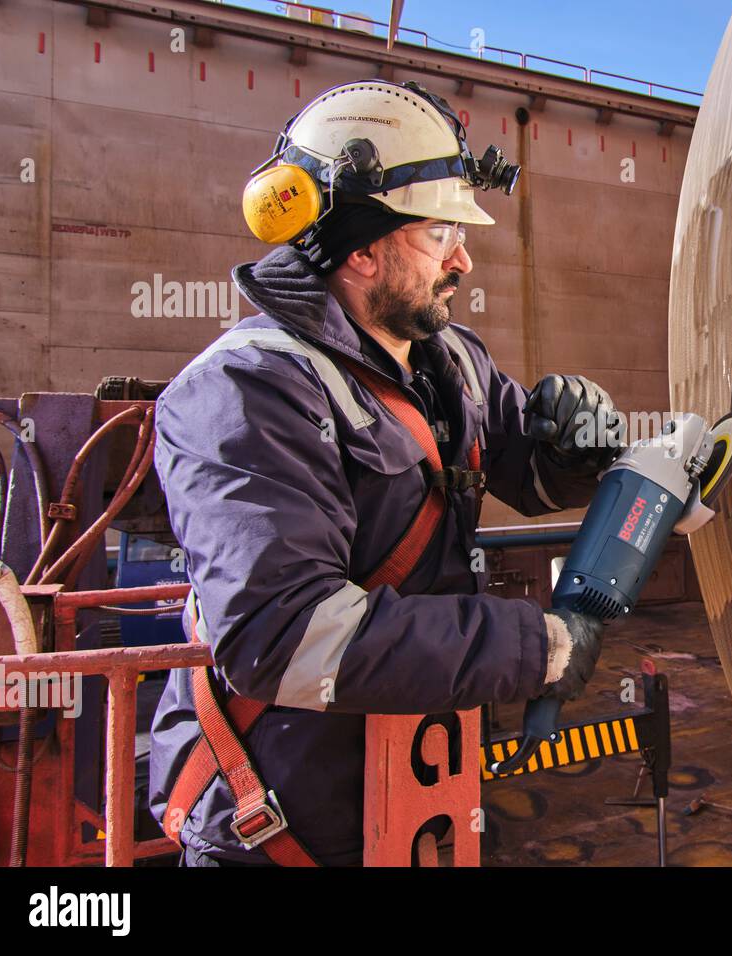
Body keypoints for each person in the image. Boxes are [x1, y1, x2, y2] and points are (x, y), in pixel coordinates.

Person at [148, 79, 621, 866]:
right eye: (440, 235)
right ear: (361, 250)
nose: (464, 259)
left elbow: (526, 478)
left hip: (417, 796)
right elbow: (280, 635)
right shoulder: (244, 392)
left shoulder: (450, 360)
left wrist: (576, 450)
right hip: (286, 819)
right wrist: (532, 647)